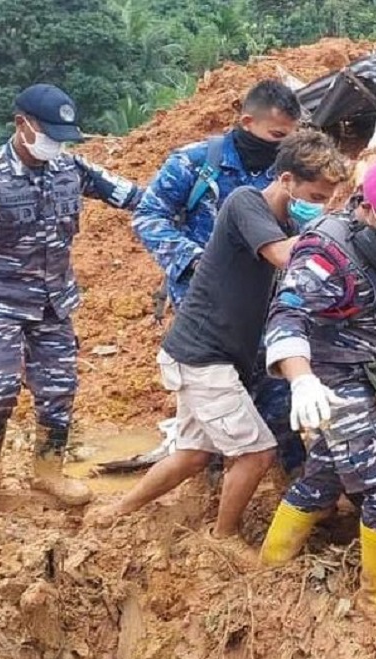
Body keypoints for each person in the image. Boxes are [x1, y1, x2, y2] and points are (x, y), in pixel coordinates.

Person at [85, 131, 349, 537]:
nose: (319, 206)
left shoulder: (288, 220)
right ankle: (223, 538)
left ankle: (119, 509)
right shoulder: (245, 202)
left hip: (210, 356)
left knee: (192, 454)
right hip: (202, 356)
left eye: (327, 200)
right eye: (314, 196)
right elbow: (281, 254)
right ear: (286, 179)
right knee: (257, 455)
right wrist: (337, 233)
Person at [0, 83, 143, 505]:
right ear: (23, 124)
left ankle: (48, 470)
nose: (56, 145)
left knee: (59, 390)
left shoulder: (70, 169)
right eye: (50, 135)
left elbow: (131, 196)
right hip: (1, 297)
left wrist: (184, 204)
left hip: (55, 300)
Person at [257, 157, 376, 615]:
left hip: (368, 371)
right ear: (372, 207)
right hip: (335, 382)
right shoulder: (324, 253)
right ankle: (375, 598)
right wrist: (301, 382)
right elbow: (287, 315)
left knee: (323, 473)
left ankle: (271, 562)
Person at [131, 79, 307, 475]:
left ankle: (291, 482)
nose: (281, 145)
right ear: (247, 122)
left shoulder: (283, 173)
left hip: (264, 300)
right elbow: (148, 216)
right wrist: (195, 260)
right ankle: (211, 487)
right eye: (276, 135)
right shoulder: (194, 162)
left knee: (277, 391)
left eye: (289, 138)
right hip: (206, 305)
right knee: (216, 399)